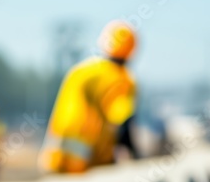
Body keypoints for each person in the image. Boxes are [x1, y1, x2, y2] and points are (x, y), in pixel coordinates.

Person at [40, 20, 138, 174]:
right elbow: (122, 120)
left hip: (55, 156)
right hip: (87, 162)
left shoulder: (81, 71)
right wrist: (135, 154)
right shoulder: (121, 79)